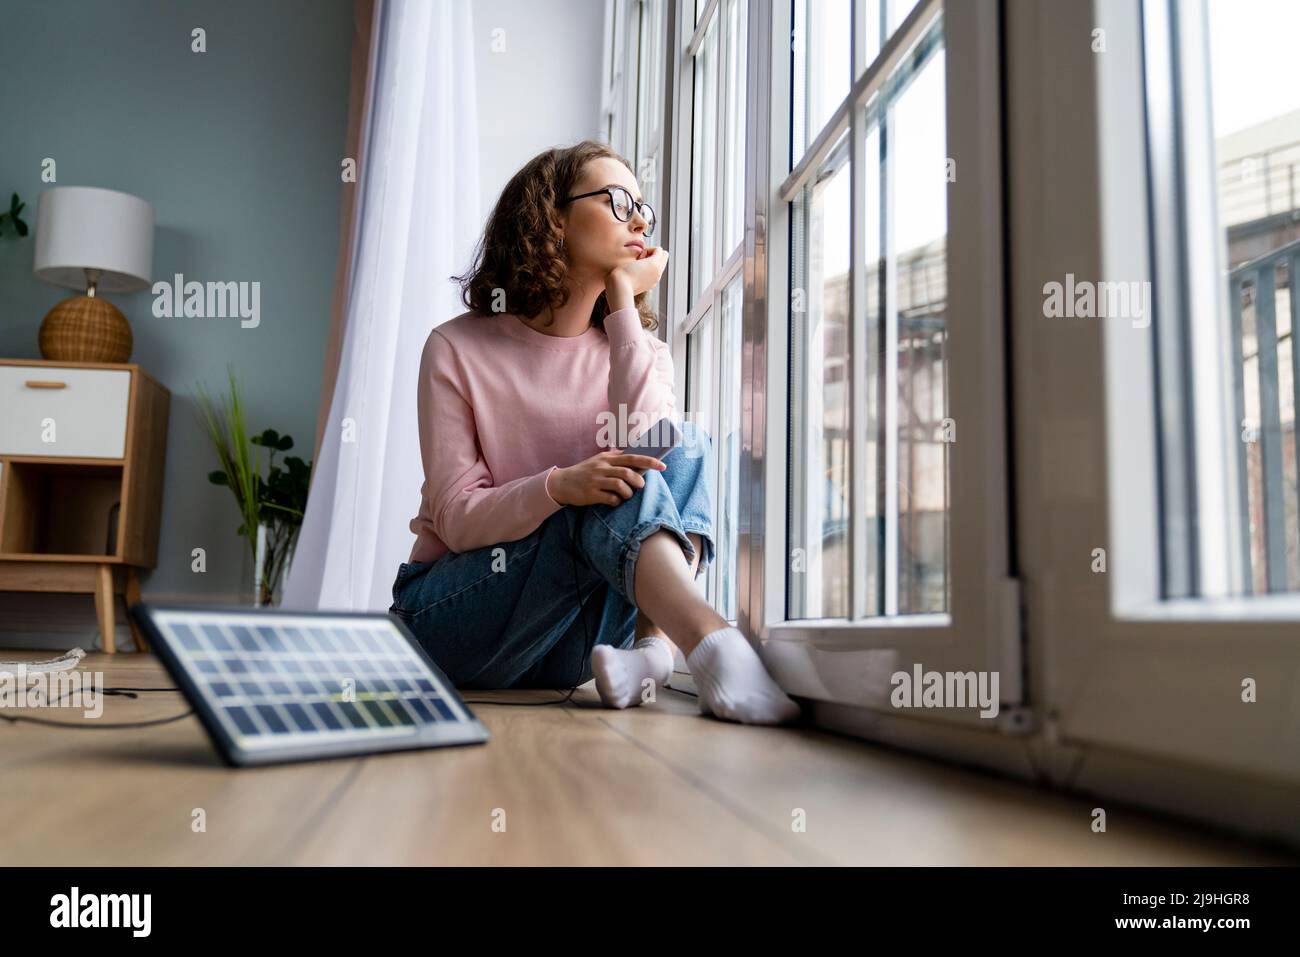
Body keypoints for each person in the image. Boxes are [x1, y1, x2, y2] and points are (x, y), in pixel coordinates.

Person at [388, 139, 799, 725]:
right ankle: (710, 643)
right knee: (595, 492)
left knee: (679, 444)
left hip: (567, 643)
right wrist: (558, 487)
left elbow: (655, 452)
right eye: (615, 200)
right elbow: (455, 514)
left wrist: (622, 302)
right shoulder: (456, 347)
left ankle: (653, 651)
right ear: (552, 217)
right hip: (455, 622)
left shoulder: (639, 348)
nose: (638, 218)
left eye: (643, 208)